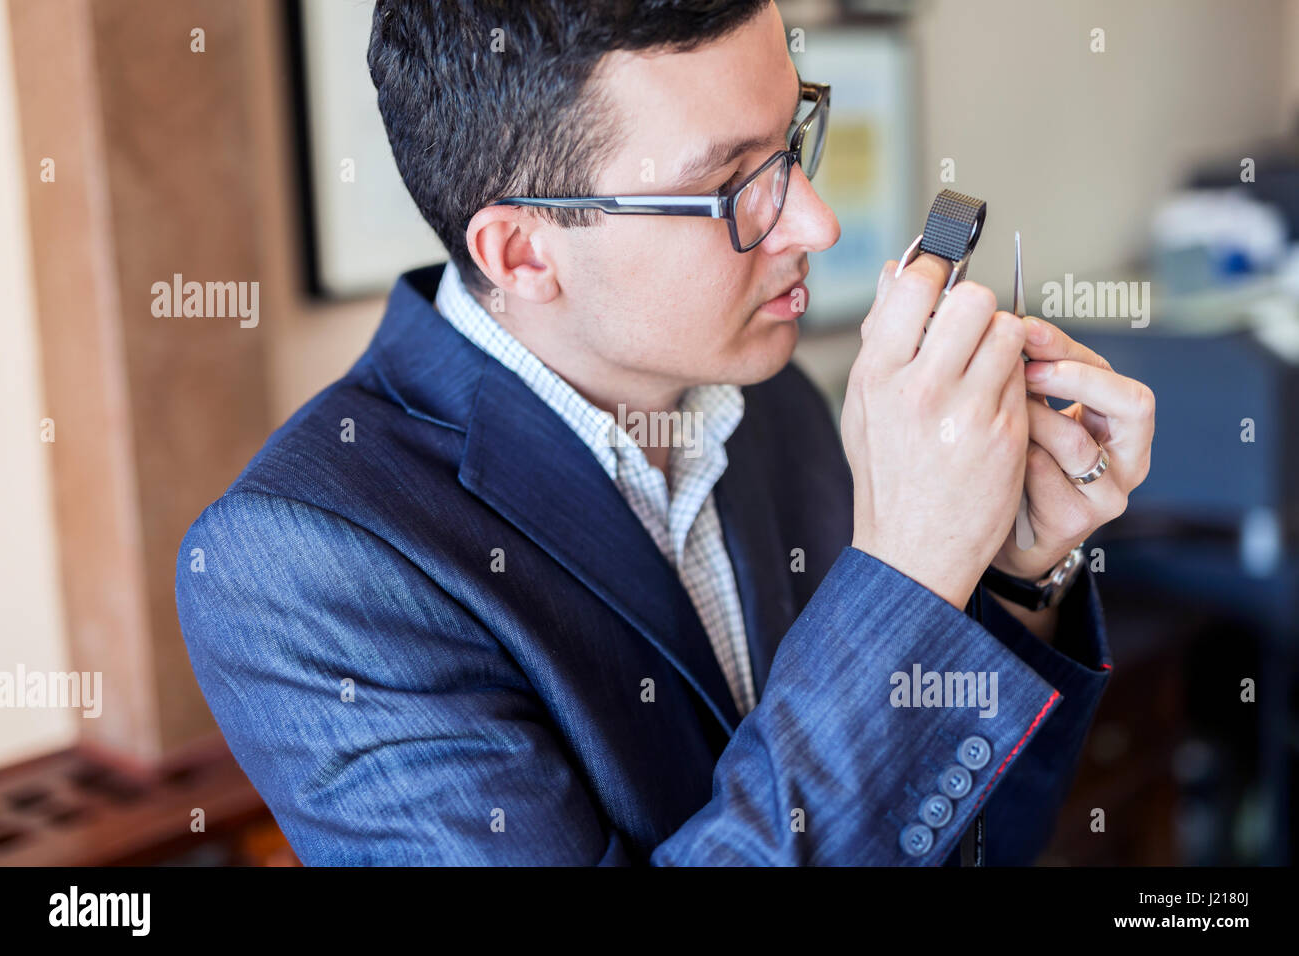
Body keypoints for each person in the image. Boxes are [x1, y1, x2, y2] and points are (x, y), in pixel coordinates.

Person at [175, 0, 1154, 865]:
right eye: (734, 185)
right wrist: (905, 580)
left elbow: (968, 840)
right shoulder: (299, 562)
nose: (813, 222)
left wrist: (1013, 580)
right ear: (521, 250)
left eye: (792, 136)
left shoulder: (771, 401)